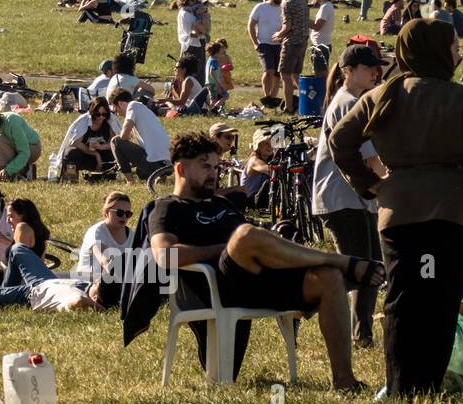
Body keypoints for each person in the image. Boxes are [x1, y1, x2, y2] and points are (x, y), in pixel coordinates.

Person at [149, 131, 380, 390]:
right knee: (245, 235)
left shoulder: (222, 205)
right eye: (205, 166)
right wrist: (226, 247)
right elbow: (164, 255)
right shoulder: (168, 208)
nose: (213, 173)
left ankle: (345, 381)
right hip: (218, 286)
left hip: (258, 281)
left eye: (215, 166)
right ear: (181, 168)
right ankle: (341, 261)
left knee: (328, 278)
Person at [331, 19, 463, 396]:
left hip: (398, 212)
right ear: (437, 51)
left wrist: (370, 185)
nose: (459, 56)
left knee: (403, 298)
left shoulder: (383, 95)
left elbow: (339, 141)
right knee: (441, 299)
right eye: (454, 49)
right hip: (454, 211)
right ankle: (428, 384)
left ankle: (401, 385)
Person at [312, 44, 388, 349]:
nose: (375, 72)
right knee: (360, 270)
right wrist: (390, 184)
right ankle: (303, 300)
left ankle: (362, 334)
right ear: (348, 72)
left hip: (357, 198)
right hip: (341, 199)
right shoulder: (348, 103)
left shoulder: (356, 100)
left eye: (376, 68)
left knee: (370, 269)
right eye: (369, 68)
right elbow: (369, 158)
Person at [77, 191, 134, 307]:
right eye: (119, 213)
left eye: (128, 214)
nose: (124, 217)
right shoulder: (97, 231)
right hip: (90, 282)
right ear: (106, 212)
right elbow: (105, 261)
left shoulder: (132, 235)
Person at [111, 88, 170, 181]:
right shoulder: (142, 109)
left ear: (120, 103)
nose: (117, 113)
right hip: (166, 163)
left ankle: (130, 181)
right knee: (141, 173)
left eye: (115, 108)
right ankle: (159, 176)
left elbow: (123, 136)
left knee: (116, 141)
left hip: (155, 161)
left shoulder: (133, 105)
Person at [0, 106, 41, 180]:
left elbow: (24, 152)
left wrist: (8, 170)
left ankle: (23, 171)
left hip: (31, 149)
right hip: (8, 153)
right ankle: (23, 171)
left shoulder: (12, 122)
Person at [274, 0, 308, 113]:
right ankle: (304, 103)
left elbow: (287, 26)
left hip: (291, 42)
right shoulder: (302, 1)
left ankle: (289, 108)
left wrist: (279, 34)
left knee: (285, 75)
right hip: (303, 42)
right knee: (296, 75)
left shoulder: (286, 3)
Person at [60, 98, 119, 173]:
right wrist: (96, 154)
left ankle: (108, 172)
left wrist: (101, 147)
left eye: (104, 114)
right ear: (92, 112)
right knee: (71, 153)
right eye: (98, 114)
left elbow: (115, 142)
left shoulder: (109, 122)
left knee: (115, 153)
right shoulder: (84, 122)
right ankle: (71, 176)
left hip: (104, 156)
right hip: (86, 155)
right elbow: (76, 142)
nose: (101, 117)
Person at [248, 0, 283, 105]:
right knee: (269, 71)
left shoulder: (284, 7)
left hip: (280, 45)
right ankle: (266, 96)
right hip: (264, 43)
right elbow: (251, 25)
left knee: (278, 75)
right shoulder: (261, 7)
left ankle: (272, 100)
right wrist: (255, 43)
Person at [175, 0, 206, 81]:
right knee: (196, 71)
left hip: (190, 43)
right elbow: (193, 32)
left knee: (192, 70)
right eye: (192, 0)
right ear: (185, 1)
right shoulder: (187, 14)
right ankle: (196, 92)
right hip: (194, 44)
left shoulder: (186, 12)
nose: (195, 2)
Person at [308, 0, 334, 75]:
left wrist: (303, 19)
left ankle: (326, 89)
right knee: (319, 71)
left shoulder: (325, 7)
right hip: (320, 44)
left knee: (321, 73)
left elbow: (317, 26)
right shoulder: (326, 6)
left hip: (320, 45)